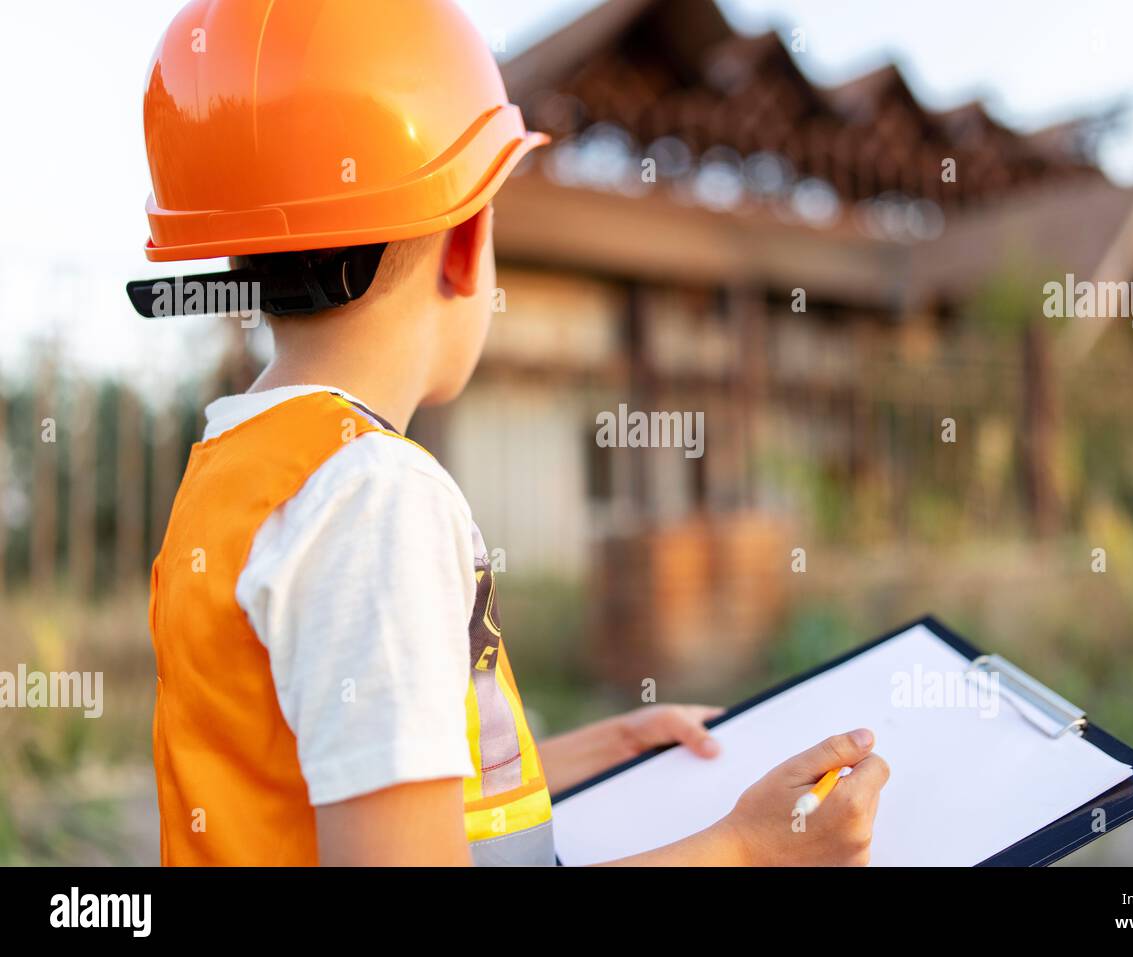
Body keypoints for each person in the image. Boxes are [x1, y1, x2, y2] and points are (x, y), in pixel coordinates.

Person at [138, 0, 888, 866]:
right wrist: (750, 852)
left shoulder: (238, 469)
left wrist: (593, 757)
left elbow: (353, 778)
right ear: (467, 243)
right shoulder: (374, 495)